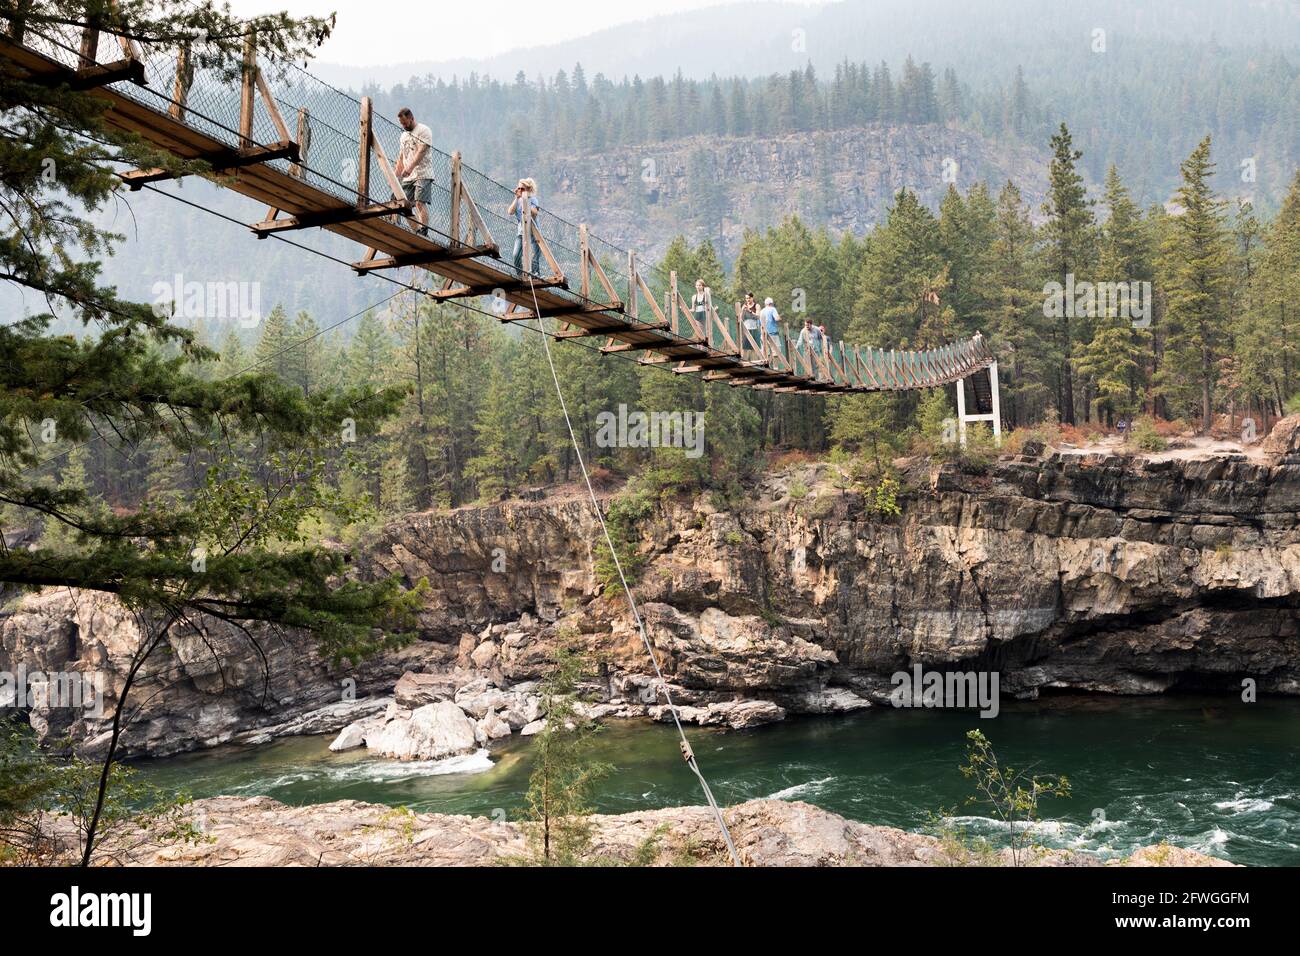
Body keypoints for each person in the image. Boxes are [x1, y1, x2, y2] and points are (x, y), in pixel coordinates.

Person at [394, 108, 433, 236]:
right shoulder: (403, 136)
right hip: (408, 177)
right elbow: (401, 157)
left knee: (419, 202)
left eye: (405, 123)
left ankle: (424, 229)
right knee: (404, 204)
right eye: (401, 124)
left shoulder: (423, 130)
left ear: (411, 118)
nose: (404, 126)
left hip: (422, 173)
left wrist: (410, 168)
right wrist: (395, 176)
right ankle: (417, 230)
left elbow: (421, 151)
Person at [508, 178, 541, 275]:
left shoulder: (533, 199)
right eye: (518, 188)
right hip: (521, 232)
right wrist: (517, 198)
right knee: (516, 255)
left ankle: (535, 275)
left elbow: (535, 213)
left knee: (534, 257)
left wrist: (525, 201)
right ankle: (520, 274)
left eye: (522, 189)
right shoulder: (518, 200)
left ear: (528, 189)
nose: (520, 190)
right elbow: (510, 212)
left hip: (534, 232)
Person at [740, 292, 760, 358]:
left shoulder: (756, 305)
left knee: (754, 348)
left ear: (752, 298)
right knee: (745, 348)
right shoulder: (744, 306)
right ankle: (744, 361)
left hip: (754, 329)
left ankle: (755, 361)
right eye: (746, 298)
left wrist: (750, 311)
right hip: (746, 329)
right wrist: (742, 310)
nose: (748, 300)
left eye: (749, 298)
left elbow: (758, 316)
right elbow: (741, 318)